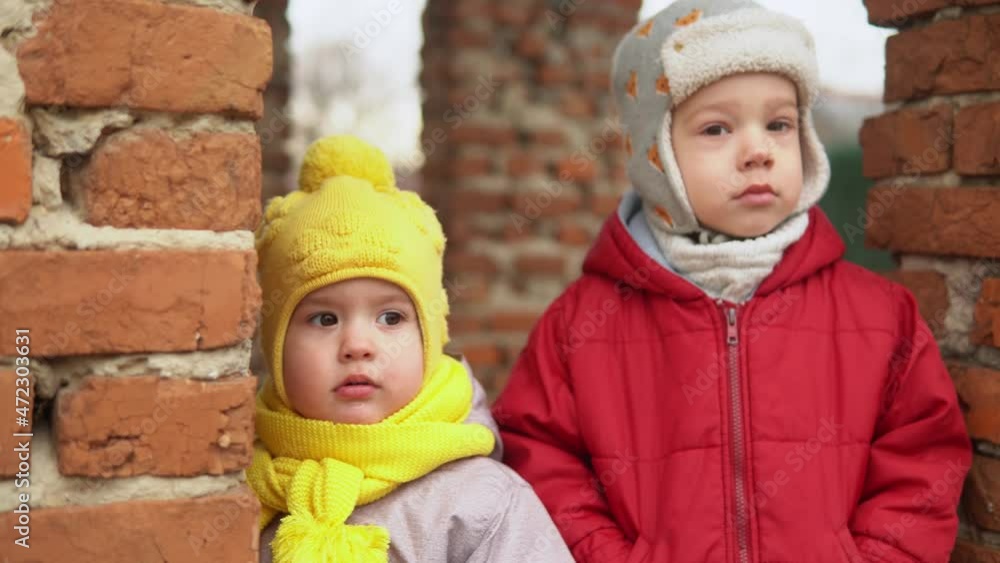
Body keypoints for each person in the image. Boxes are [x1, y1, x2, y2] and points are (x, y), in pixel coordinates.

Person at [492, 1, 971, 561]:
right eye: (717, 128)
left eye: (779, 124)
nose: (757, 152)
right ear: (656, 155)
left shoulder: (880, 315)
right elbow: (539, 462)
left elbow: (924, 464)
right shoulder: (581, 325)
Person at [249, 135, 572, 562]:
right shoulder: (244, 491)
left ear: (430, 339)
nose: (358, 346)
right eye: (324, 319)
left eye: (391, 318)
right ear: (276, 348)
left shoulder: (482, 502)